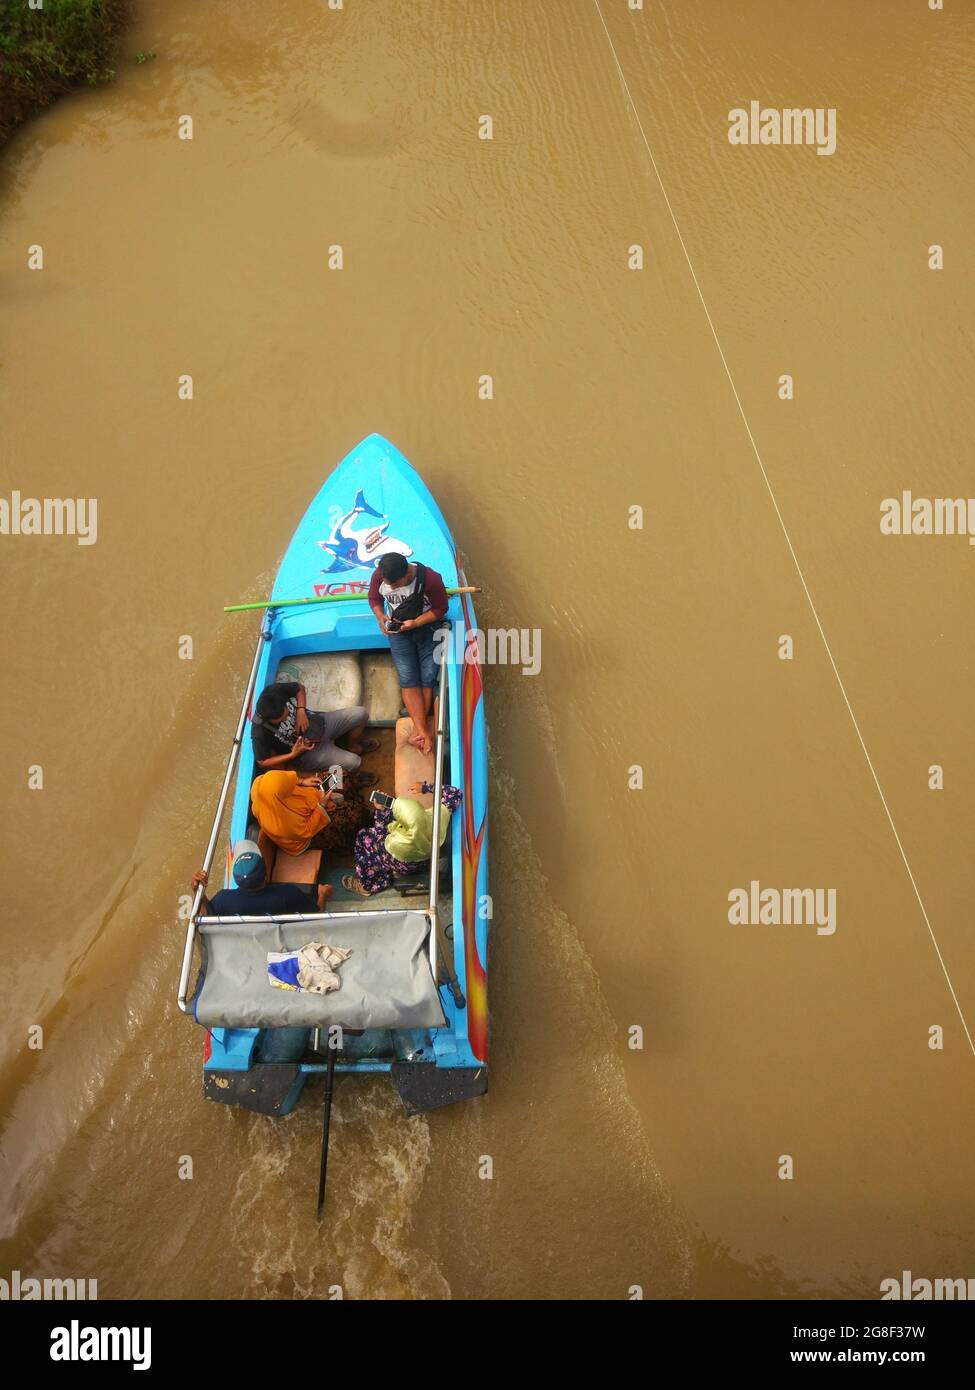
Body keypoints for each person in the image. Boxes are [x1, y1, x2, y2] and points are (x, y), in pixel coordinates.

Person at [369, 553, 448, 755]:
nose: (392, 588)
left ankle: (419, 731)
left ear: (407, 573)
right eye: (389, 584)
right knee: (408, 678)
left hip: (427, 628)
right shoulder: (380, 575)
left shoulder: (431, 579)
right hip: (398, 630)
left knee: (427, 677)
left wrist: (417, 622)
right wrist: (380, 617)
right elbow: (374, 598)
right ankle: (422, 731)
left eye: (395, 585)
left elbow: (440, 608)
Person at [342, 781, 462, 897]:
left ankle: (366, 885)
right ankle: (378, 875)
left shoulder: (396, 843)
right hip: (423, 860)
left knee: (364, 836)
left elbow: (381, 837)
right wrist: (425, 787)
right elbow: (456, 793)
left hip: (400, 863)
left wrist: (380, 810)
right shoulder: (438, 817)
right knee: (379, 833)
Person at [250, 679, 378, 785]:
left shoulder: (272, 692)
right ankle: (343, 779)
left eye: (287, 713)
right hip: (307, 753)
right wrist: (293, 754)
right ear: (270, 720)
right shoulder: (259, 731)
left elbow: (299, 688)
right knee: (355, 762)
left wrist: (300, 711)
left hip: (319, 723)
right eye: (281, 720)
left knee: (361, 713)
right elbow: (262, 761)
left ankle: (351, 746)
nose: (287, 717)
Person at [250, 769, 338, 909]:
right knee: (349, 817)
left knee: (335, 774)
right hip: (303, 840)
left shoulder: (262, 784)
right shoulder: (281, 824)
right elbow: (307, 831)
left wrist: (302, 781)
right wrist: (321, 805)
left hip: (309, 802)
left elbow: (286, 778)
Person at [191, 842, 311, 917]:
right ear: (265, 875)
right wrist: (322, 895)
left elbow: (208, 914)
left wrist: (196, 889)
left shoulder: (223, 900)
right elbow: (314, 915)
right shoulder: (289, 893)